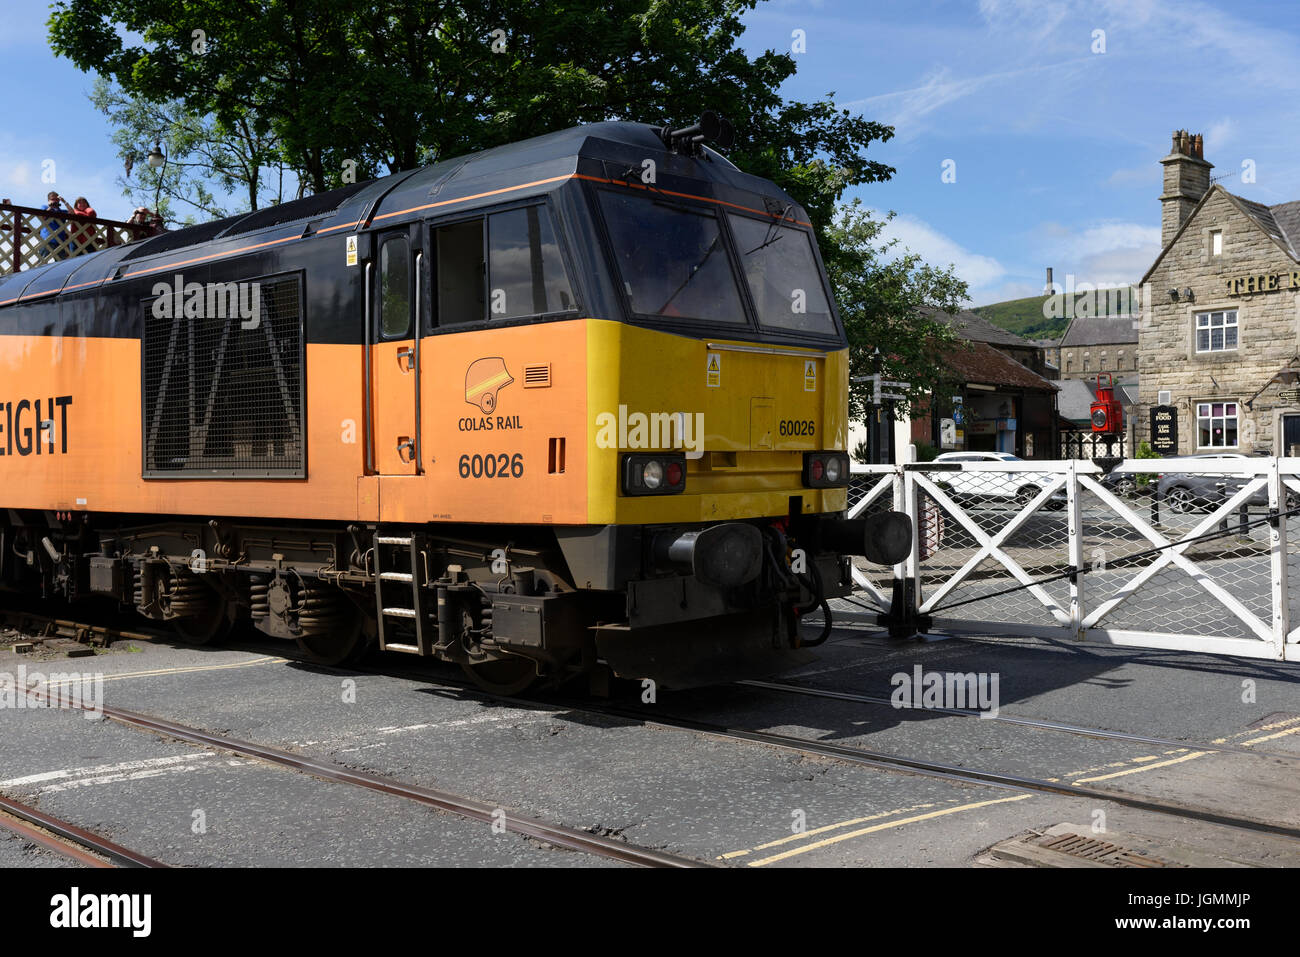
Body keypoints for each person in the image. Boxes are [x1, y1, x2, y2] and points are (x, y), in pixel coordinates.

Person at [38, 191, 71, 261]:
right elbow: (42, 217)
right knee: (42, 262)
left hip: (60, 241)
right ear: (48, 201)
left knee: (60, 264)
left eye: (56, 199)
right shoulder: (44, 207)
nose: (55, 201)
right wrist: (50, 207)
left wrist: (64, 201)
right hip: (46, 240)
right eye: (53, 199)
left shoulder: (62, 211)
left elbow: (72, 213)